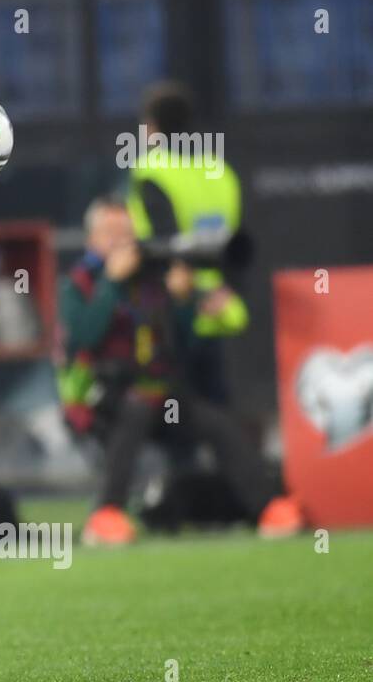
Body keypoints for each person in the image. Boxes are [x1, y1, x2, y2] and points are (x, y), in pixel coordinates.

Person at [57, 196, 302, 545]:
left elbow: (183, 344)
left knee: (218, 424)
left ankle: (269, 508)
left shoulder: (150, 280)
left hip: (162, 398)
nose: (120, 240)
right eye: (110, 232)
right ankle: (106, 515)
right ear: (92, 239)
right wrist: (111, 283)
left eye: (126, 232)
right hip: (104, 399)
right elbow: (85, 335)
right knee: (135, 411)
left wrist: (184, 300)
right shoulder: (79, 284)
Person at [126, 80, 247, 404]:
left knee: (176, 406)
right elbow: (235, 242)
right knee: (215, 403)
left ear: (152, 127)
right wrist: (227, 289)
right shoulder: (220, 171)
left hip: (174, 308)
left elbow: (166, 241)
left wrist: (185, 289)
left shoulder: (152, 171)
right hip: (218, 306)